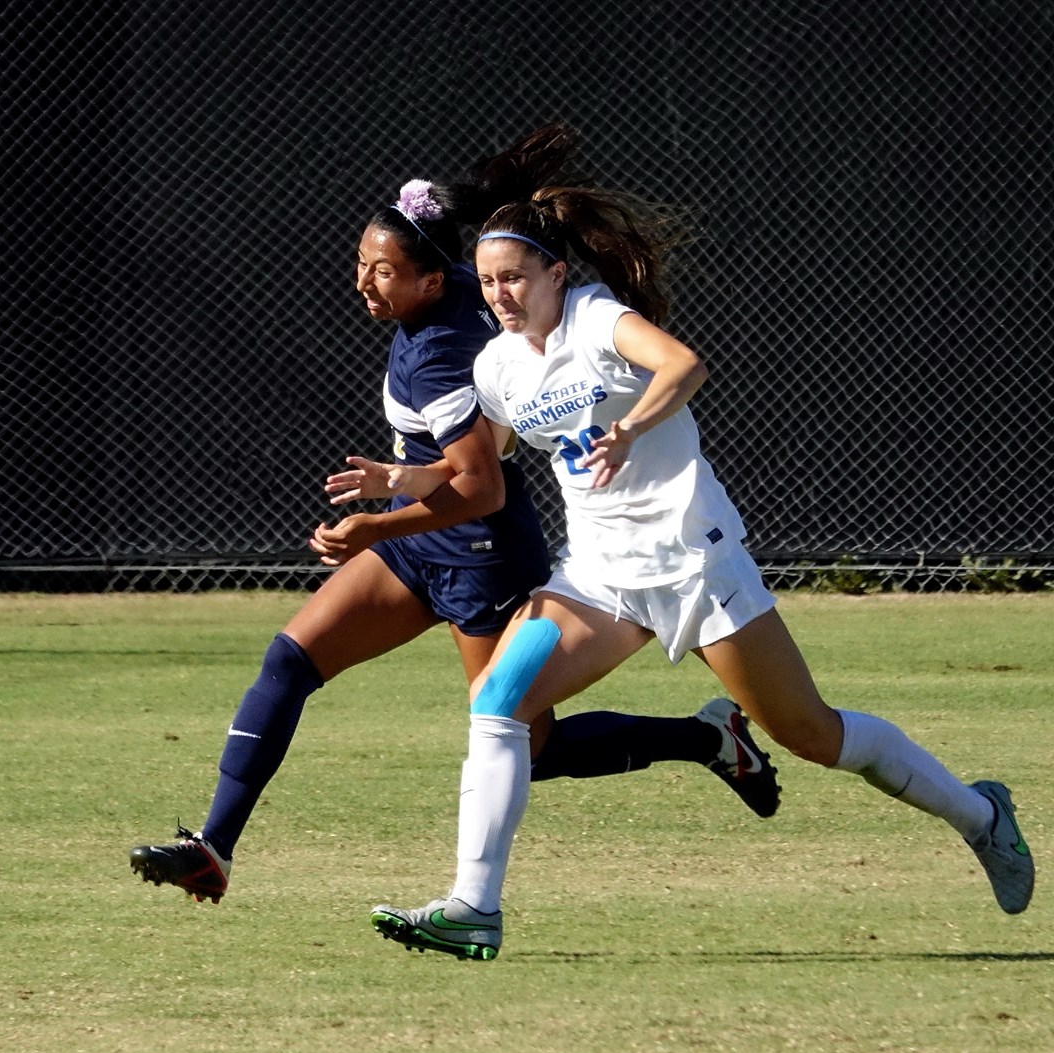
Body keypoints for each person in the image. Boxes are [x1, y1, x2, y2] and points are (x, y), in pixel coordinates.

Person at [369, 127, 1034, 961]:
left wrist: (629, 427)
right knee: (498, 702)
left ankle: (982, 814)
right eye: (490, 279)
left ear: (556, 274)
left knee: (811, 734)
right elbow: (487, 458)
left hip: (694, 562)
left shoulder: (596, 317)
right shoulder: (498, 365)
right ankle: (474, 906)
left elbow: (683, 366)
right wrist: (408, 478)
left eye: (515, 278)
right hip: (599, 578)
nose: (500, 293)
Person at [130, 129, 781, 906]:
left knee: (527, 742)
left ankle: (706, 737)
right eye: (362, 262)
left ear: (433, 281)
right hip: (419, 536)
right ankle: (213, 847)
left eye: (384, 270)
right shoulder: (461, 294)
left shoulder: (439, 353)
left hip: (479, 551)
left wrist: (374, 526)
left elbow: (481, 489)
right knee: (290, 661)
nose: (364, 281)